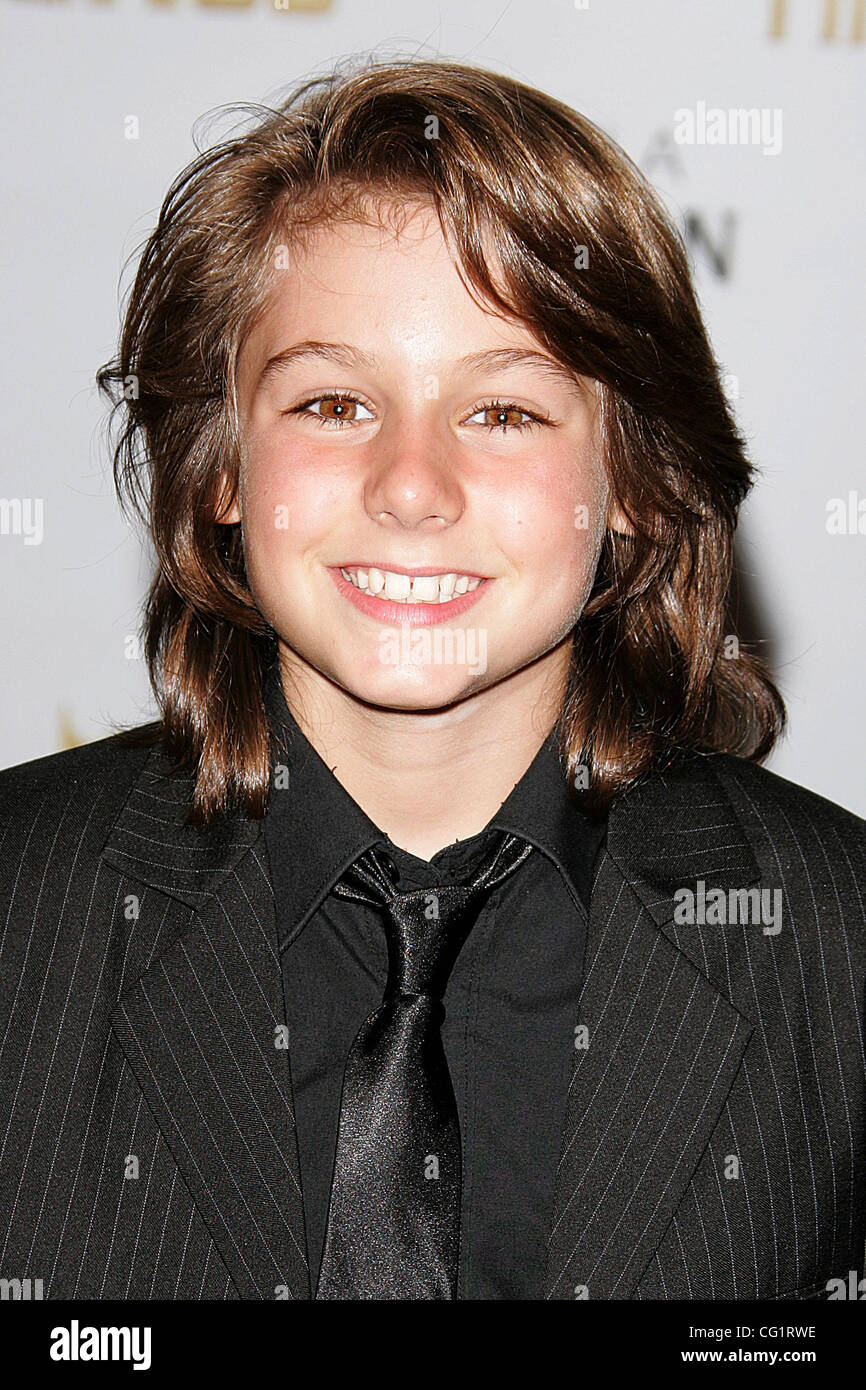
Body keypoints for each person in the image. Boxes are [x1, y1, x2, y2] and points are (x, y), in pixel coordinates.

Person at [0, 56, 863, 1302]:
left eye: (503, 413)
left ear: (631, 482)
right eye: (335, 401)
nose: (411, 484)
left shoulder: (835, 951)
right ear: (221, 466)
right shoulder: (20, 913)